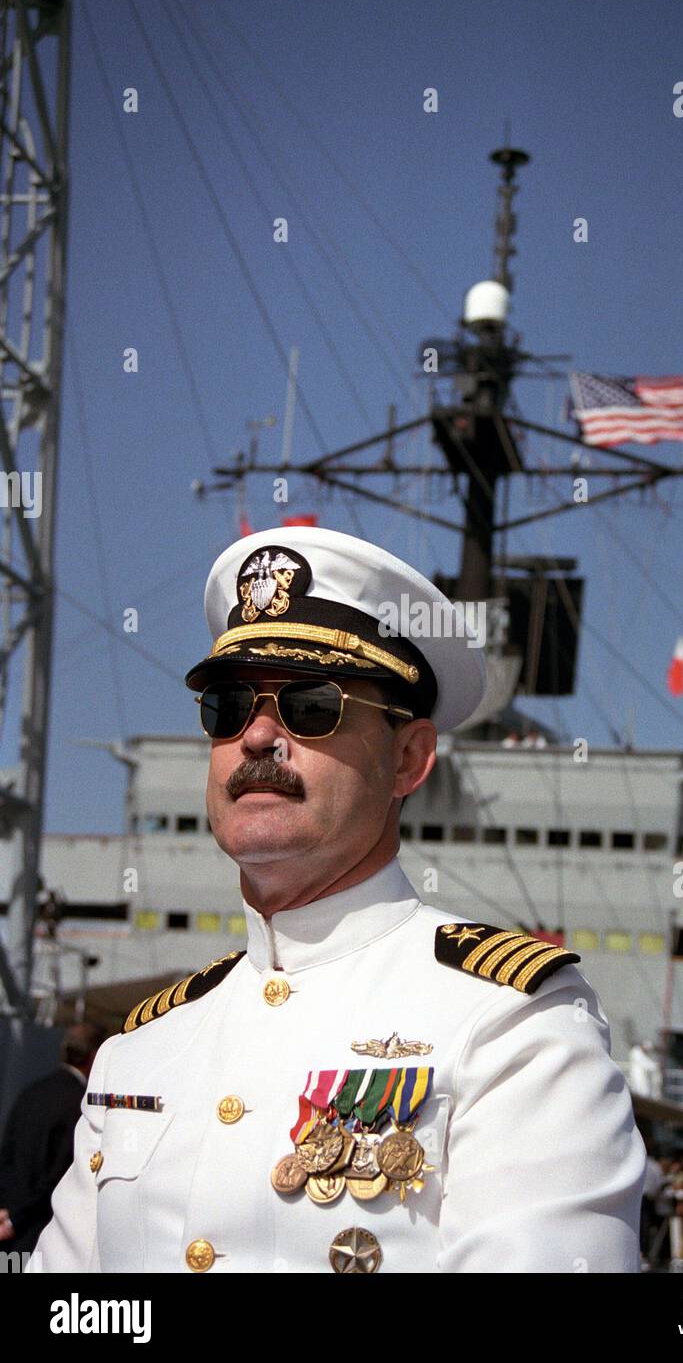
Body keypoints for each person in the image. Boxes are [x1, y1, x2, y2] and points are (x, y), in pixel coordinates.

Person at [32, 526, 645, 1274]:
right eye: (228, 705)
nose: (258, 734)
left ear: (408, 759)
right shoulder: (139, 1051)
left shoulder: (511, 1027)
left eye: (312, 704)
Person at [0, 1022, 105, 1254]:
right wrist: (15, 1219)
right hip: (42, 1232)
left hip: (8, 1227)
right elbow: (60, 1174)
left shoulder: (31, 1091)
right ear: (95, 1056)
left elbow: (7, 1153)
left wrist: (6, 1212)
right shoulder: (82, 1104)